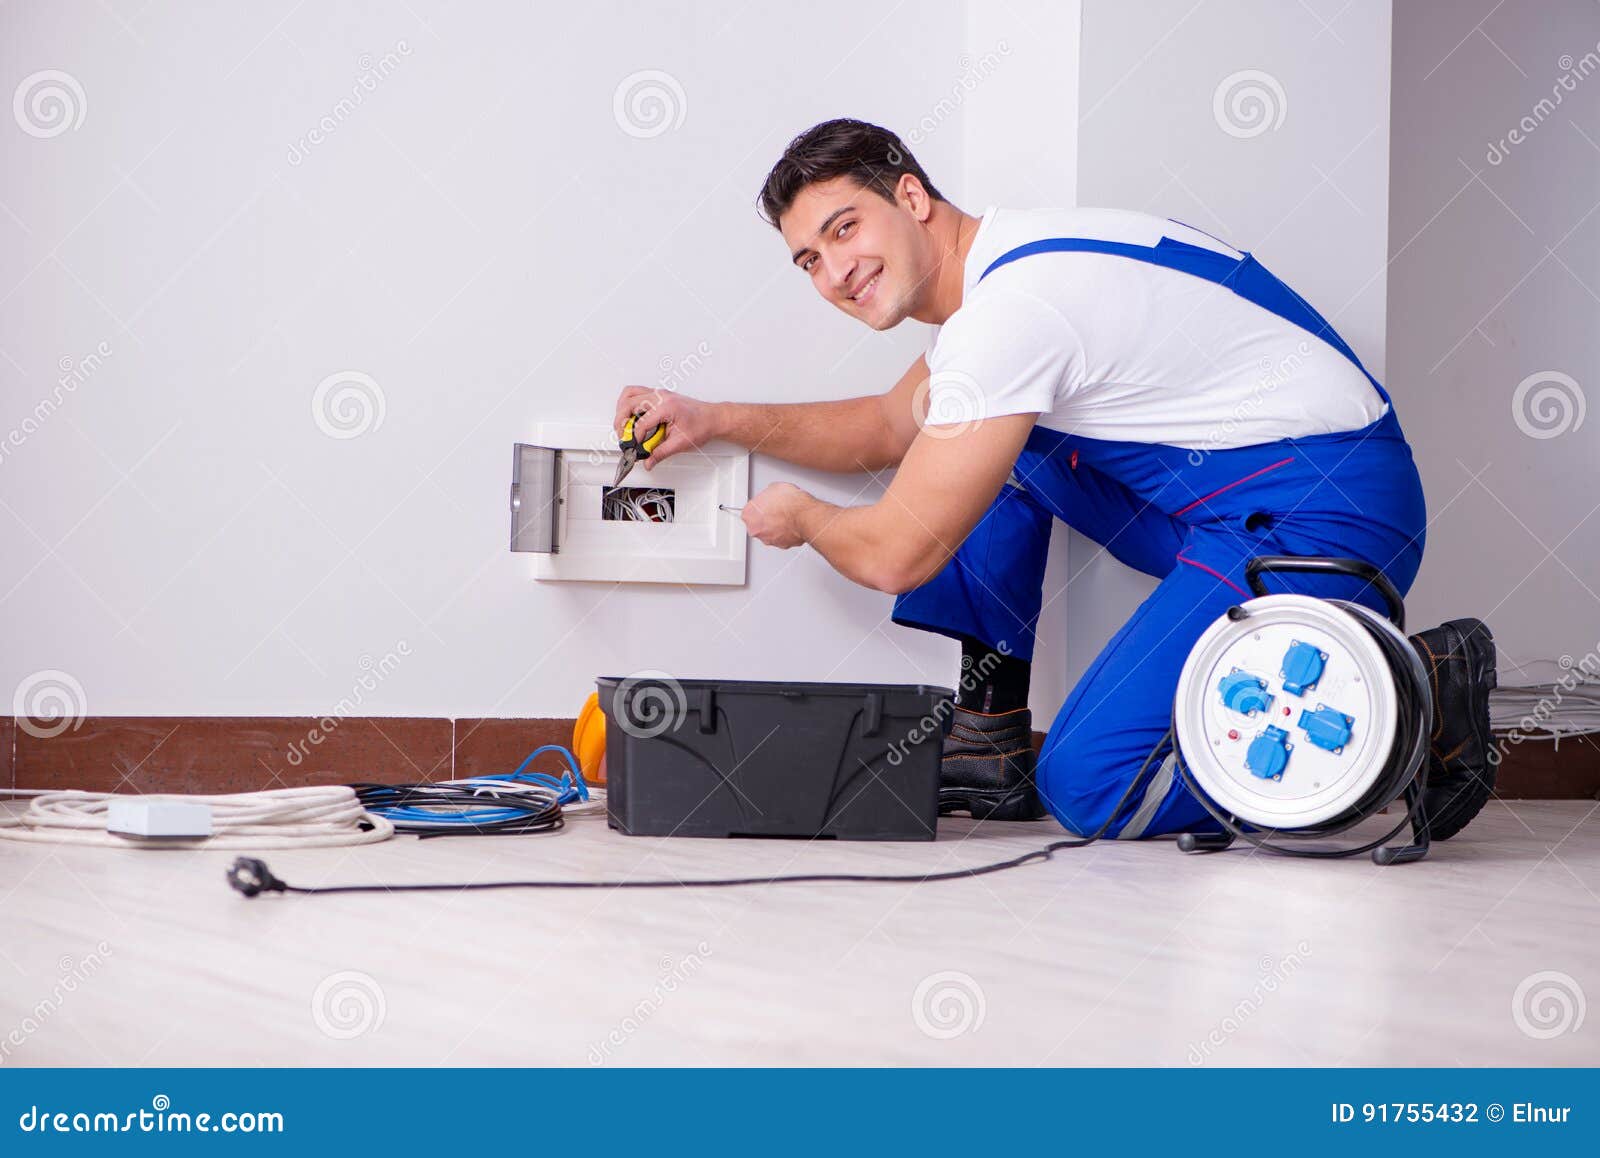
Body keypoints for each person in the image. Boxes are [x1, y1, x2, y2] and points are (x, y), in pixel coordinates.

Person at [612, 118, 1497, 841]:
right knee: (996, 445)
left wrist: (804, 517)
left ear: (911, 198)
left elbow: (895, 556)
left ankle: (1407, 699)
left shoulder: (1012, 316)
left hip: (1323, 513)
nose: (835, 271)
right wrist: (714, 418)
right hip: (1233, 497)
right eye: (808, 258)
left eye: (845, 228)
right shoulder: (1008, 272)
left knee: (1097, 788)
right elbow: (889, 427)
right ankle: (988, 739)